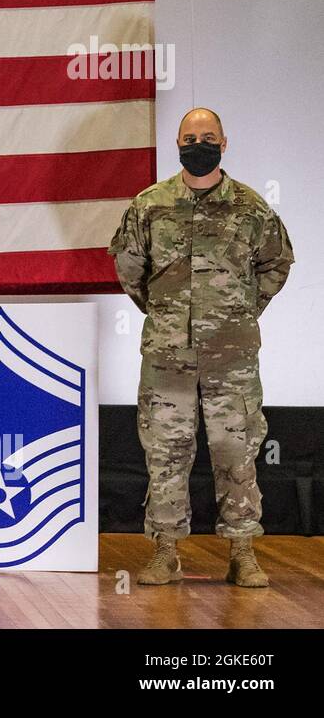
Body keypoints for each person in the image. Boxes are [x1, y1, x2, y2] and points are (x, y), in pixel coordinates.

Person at [109, 107, 293, 588]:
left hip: (231, 360)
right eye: (190, 137)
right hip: (168, 358)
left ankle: (243, 553)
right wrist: (168, 315)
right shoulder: (149, 206)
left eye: (208, 136)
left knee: (237, 451)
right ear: (177, 143)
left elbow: (276, 265)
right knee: (166, 453)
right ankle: (165, 553)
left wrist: (238, 313)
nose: (199, 144)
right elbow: (130, 270)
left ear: (224, 143)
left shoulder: (252, 209)